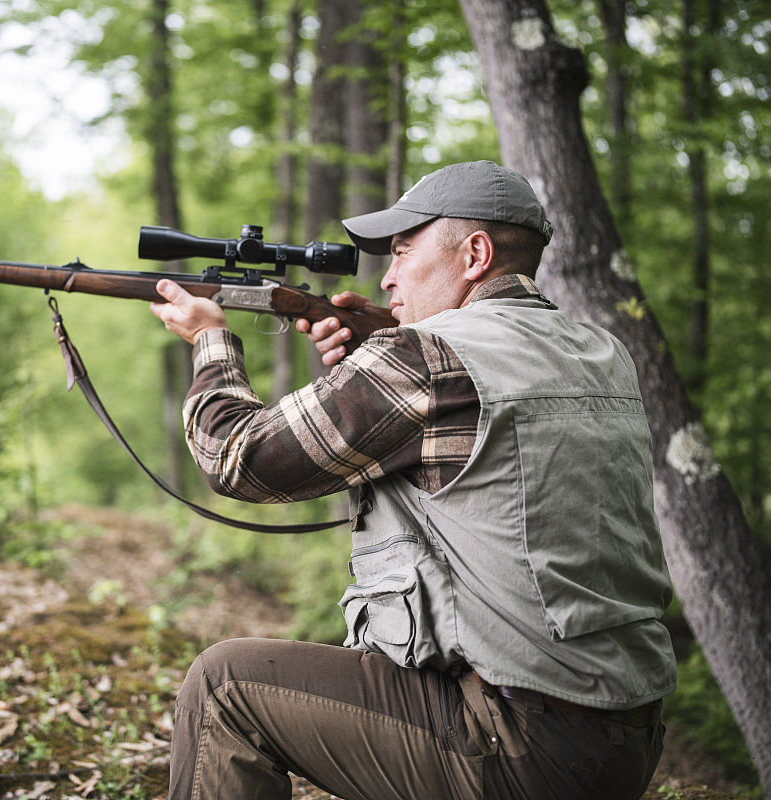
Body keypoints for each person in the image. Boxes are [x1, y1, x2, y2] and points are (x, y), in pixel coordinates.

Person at [148, 160, 676, 800]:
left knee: (223, 685)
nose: (389, 275)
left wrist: (210, 341)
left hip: (518, 749)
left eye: (402, 252)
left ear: (475, 253)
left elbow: (237, 458)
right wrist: (386, 345)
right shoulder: (600, 351)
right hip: (626, 737)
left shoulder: (424, 360)